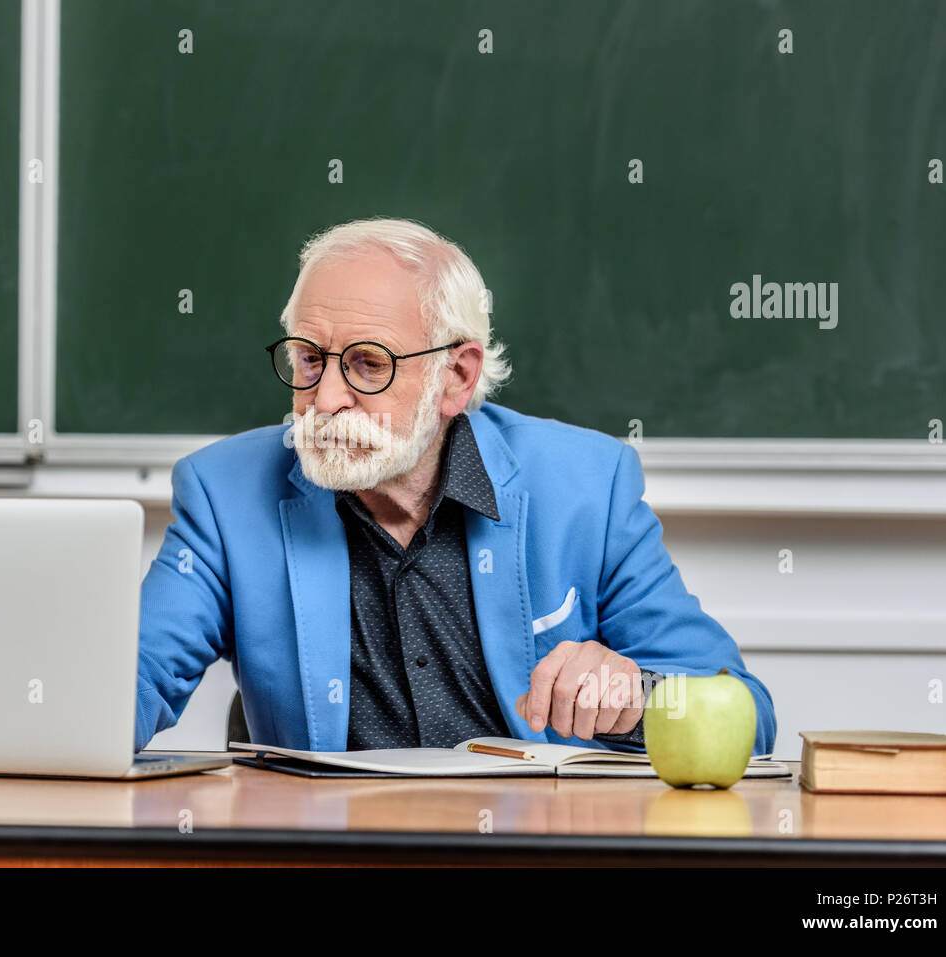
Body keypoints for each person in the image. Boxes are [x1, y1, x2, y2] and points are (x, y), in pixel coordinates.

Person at [134, 216, 776, 756]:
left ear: (456, 378)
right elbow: (130, 679)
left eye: (367, 363)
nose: (324, 398)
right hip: (334, 854)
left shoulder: (587, 487)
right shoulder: (224, 496)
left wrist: (637, 699)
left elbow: (747, 714)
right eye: (309, 358)